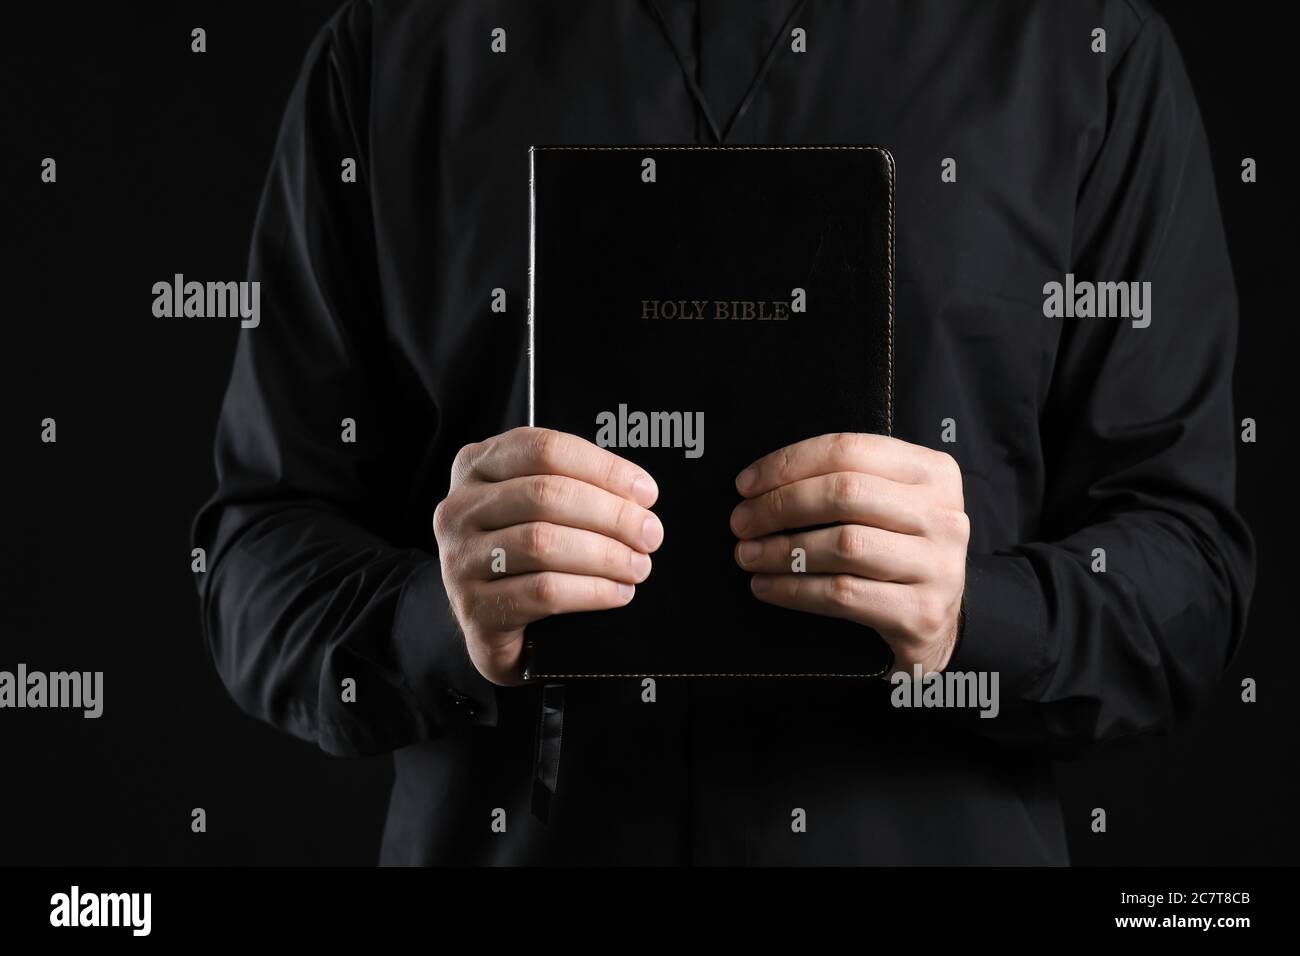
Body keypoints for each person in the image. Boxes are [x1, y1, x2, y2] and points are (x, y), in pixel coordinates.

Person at [193, 0, 1254, 865]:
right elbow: (253, 556)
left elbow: (1190, 575)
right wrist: (441, 619)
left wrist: (972, 616)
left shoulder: (1083, 46)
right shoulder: (392, 48)